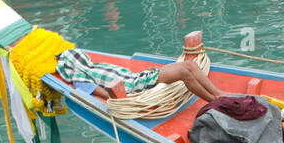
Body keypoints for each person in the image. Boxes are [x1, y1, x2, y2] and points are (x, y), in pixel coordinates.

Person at [56, 48, 222, 103]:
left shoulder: (95, 66)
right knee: (184, 72)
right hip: (134, 86)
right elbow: (100, 92)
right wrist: (122, 99)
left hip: (136, 77)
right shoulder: (81, 78)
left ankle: (217, 93)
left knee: (190, 65)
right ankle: (213, 99)